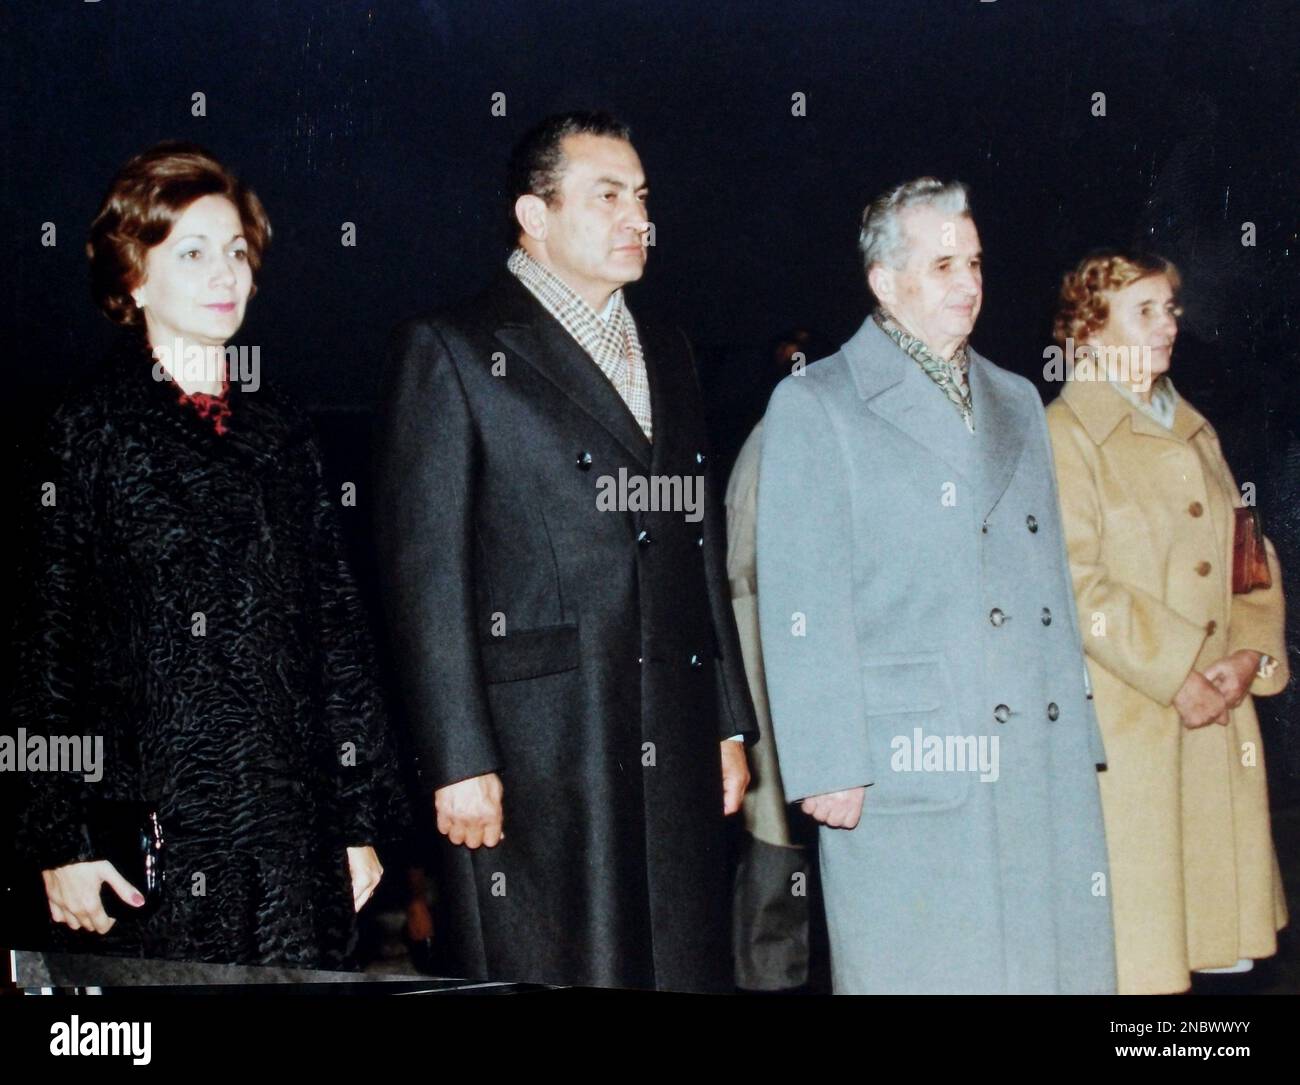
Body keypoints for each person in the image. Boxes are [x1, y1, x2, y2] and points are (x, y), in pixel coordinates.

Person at [374, 111, 756, 992]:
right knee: (561, 967)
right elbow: (424, 574)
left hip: (669, 723)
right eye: (609, 195)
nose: (638, 218)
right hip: (540, 745)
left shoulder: (669, 346)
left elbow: (698, 542)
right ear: (534, 216)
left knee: (681, 964)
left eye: (644, 197)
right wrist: (458, 757)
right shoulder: (454, 348)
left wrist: (727, 719)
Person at [12, 141, 408, 970]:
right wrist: (60, 836)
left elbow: (337, 634)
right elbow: (40, 652)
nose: (225, 273)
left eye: (236, 250)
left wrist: (359, 818)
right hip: (150, 841)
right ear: (134, 276)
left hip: (290, 841)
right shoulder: (85, 430)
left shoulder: (285, 429)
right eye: (190, 252)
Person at [756, 177, 1116, 994]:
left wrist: (1078, 731)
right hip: (909, 757)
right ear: (884, 282)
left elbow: (1050, 582)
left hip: (1035, 745)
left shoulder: (1018, 397)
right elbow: (800, 601)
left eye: (977, 262)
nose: (968, 283)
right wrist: (824, 762)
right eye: (943, 263)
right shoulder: (818, 403)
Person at [1045, 250, 1290, 994]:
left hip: (1220, 722)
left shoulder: (1193, 426)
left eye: (1170, 310)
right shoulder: (1065, 434)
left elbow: (1251, 555)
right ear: (1088, 331)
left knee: (1213, 958)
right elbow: (1075, 580)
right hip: (1137, 731)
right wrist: (1179, 674)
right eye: (1143, 311)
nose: (1167, 326)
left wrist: (1248, 655)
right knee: (1140, 961)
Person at [726, 329, 832, 992]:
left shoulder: (817, 442)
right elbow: (743, 577)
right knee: (774, 858)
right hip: (770, 674)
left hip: (809, 673)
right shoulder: (771, 443)